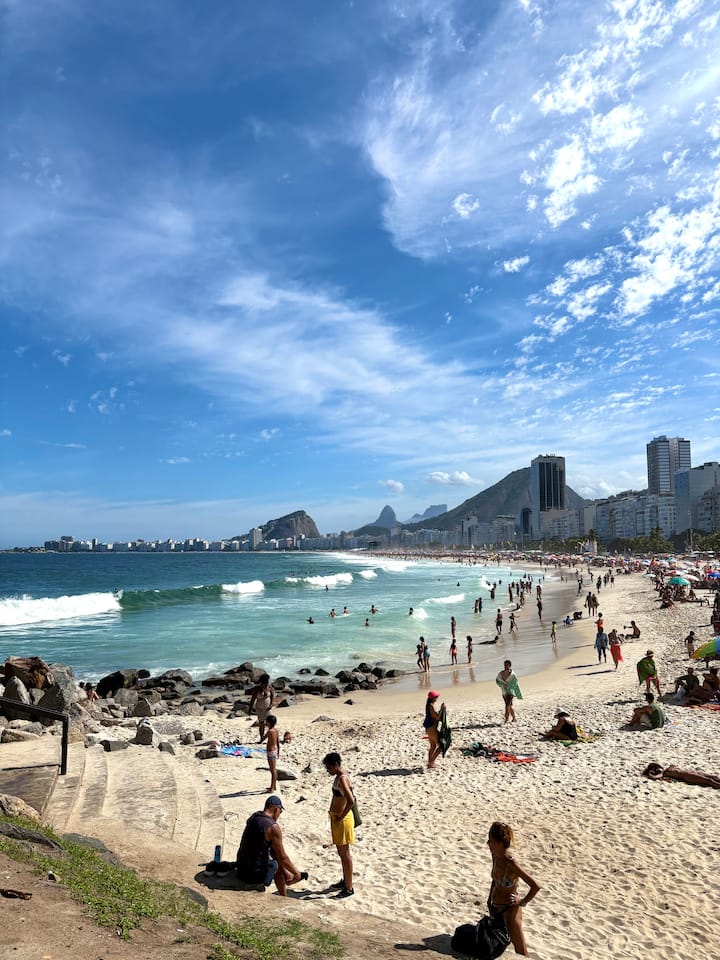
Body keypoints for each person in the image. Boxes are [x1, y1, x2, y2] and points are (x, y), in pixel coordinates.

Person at [486, 821, 540, 957]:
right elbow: (495, 881)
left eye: (491, 841)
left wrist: (521, 901)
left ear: (500, 842)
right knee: (494, 945)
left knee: (521, 952)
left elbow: (535, 886)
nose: (488, 844)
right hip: (496, 909)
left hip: (510, 911)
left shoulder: (511, 862)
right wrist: (489, 900)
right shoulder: (495, 855)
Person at [234, 795, 306, 895]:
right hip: (254, 875)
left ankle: (288, 877)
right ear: (276, 809)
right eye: (280, 811)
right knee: (277, 866)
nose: (279, 814)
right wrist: (296, 874)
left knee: (275, 856)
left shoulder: (253, 817)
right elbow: (283, 857)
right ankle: (283, 895)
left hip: (240, 869)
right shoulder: (272, 827)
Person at [323, 752, 355, 897]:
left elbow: (351, 800)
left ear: (336, 765)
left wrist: (341, 817)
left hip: (342, 820)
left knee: (345, 854)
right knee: (341, 853)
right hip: (337, 818)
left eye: (329, 768)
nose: (327, 770)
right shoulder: (340, 776)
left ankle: (349, 888)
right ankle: (345, 880)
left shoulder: (342, 779)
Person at [642, 762, 720, 789]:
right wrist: (650, 774)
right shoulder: (664, 773)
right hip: (687, 776)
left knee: (714, 777)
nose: (658, 769)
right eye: (656, 770)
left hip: (693, 772)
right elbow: (655, 777)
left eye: (657, 768)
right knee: (709, 781)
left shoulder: (670, 767)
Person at [249, 674, 275, 741]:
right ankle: (261, 738)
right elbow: (253, 699)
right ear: (262, 682)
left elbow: (272, 696)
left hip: (267, 708)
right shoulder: (256, 689)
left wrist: (271, 704)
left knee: (271, 722)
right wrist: (250, 708)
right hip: (259, 708)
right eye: (265, 683)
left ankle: (271, 736)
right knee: (261, 723)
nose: (267, 684)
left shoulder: (269, 687)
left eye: (267, 682)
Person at [423, 690, 445, 768]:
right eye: (436, 697)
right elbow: (437, 717)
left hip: (429, 729)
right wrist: (442, 709)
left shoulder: (428, 705)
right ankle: (431, 763)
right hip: (432, 729)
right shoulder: (431, 706)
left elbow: (434, 715)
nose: (437, 698)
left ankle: (430, 762)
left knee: (433, 746)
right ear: (433, 698)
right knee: (441, 746)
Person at [496, 660, 522, 724]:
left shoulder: (512, 675)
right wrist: (502, 685)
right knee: (509, 706)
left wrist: (516, 691)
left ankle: (506, 719)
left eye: (507, 665)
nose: (506, 666)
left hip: (510, 692)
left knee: (507, 705)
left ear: (510, 666)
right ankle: (514, 718)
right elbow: (497, 680)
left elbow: (515, 683)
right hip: (504, 691)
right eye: (505, 665)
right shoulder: (501, 673)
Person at [261, 714, 280, 793]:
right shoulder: (276, 730)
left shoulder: (270, 731)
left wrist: (262, 728)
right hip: (274, 750)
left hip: (270, 752)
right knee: (273, 769)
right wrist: (279, 751)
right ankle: (274, 785)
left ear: (269, 723)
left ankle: (272, 788)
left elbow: (262, 739)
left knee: (273, 770)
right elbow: (278, 742)